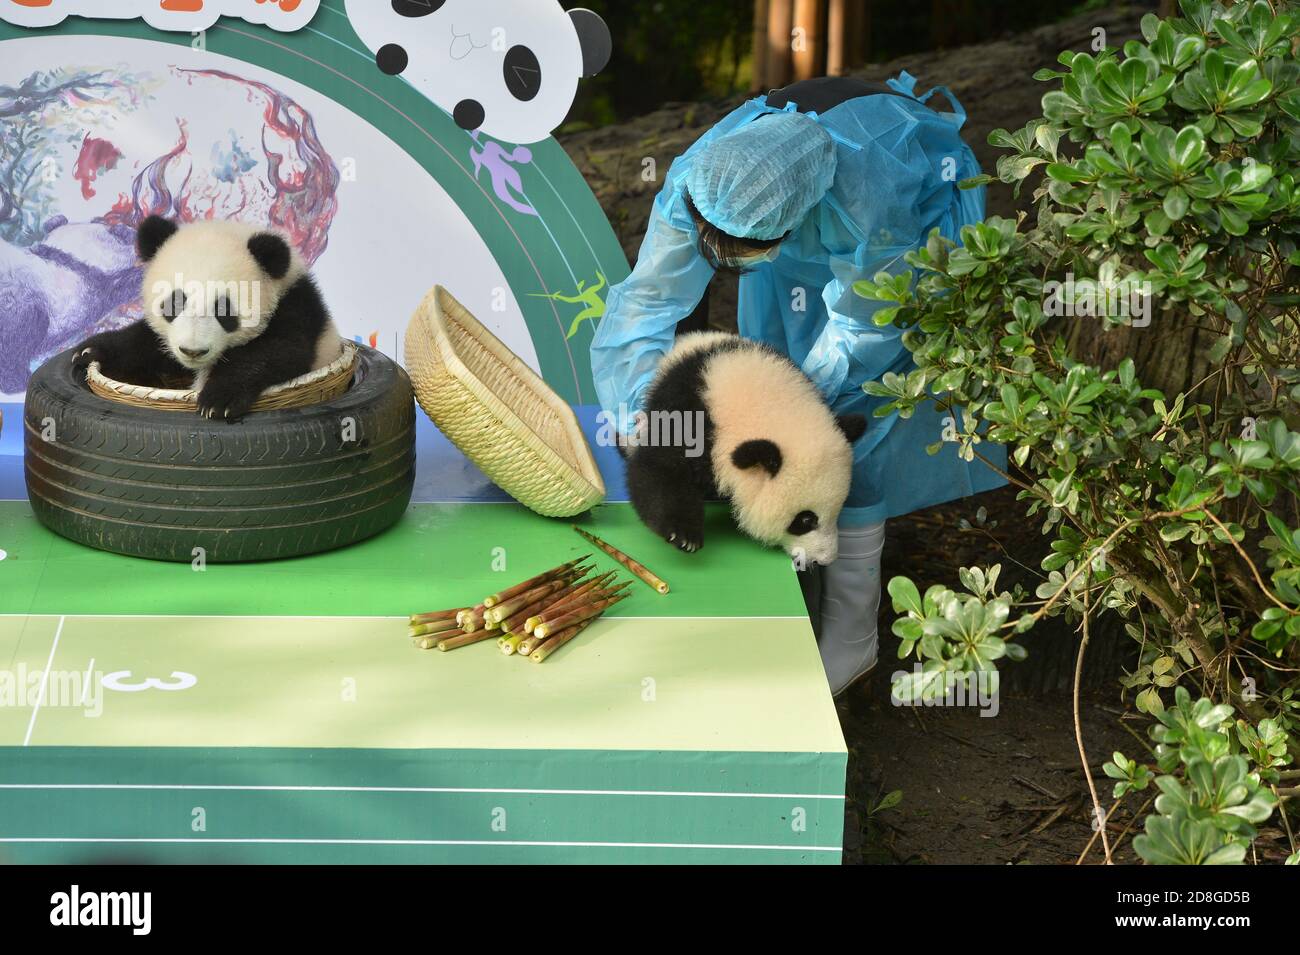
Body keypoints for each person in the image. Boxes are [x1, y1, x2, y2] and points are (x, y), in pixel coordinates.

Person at [591, 73, 1006, 695]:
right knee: (782, 345)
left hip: (902, 237)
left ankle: (853, 636)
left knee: (846, 425)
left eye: (744, 251)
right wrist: (643, 417)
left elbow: (866, 330)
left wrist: (785, 410)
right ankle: (795, 583)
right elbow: (647, 301)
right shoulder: (705, 181)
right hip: (791, 230)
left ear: (783, 227)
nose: (726, 260)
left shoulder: (876, 198)